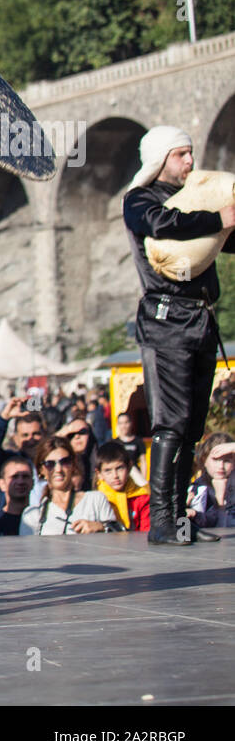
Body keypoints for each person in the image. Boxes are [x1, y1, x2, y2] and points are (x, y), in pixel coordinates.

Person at [123, 125, 232, 546]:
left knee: (192, 428)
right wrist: (219, 218)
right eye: (180, 154)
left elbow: (223, 239)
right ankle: (162, 522)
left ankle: (181, 518)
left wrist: (227, 222)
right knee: (170, 423)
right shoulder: (139, 198)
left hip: (201, 320)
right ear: (159, 160)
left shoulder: (196, 201)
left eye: (190, 153)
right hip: (166, 321)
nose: (190, 161)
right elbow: (162, 223)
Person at [20, 437, 122, 535]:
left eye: (65, 462)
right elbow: (27, 552)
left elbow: (120, 539)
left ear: (73, 465)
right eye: (49, 464)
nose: (58, 469)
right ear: (41, 470)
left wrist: (101, 527)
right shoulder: (32, 515)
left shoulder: (96, 499)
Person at [94, 440, 150, 533]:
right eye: (108, 470)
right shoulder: (96, 500)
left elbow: (146, 532)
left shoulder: (142, 498)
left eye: (120, 468)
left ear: (129, 468)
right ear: (99, 474)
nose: (115, 475)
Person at [0, 401, 46, 473]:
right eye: (25, 435)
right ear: (15, 439)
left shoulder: (53, 461)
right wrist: (3, 418)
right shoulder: (9, 462)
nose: (30, 440)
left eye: (36, 434)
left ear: (44, 435)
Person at [188, 433, 235, 529]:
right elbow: (185, 534)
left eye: (226, 461)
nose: (221, 466)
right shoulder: (198, 488)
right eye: (216, 460)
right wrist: (189, 511)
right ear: (204, 460)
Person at [0, 454, 34, 536]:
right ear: (2, 484)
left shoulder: (41, 520)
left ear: (33, 482)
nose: (20, 482)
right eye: (14, 477)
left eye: (25, 476)